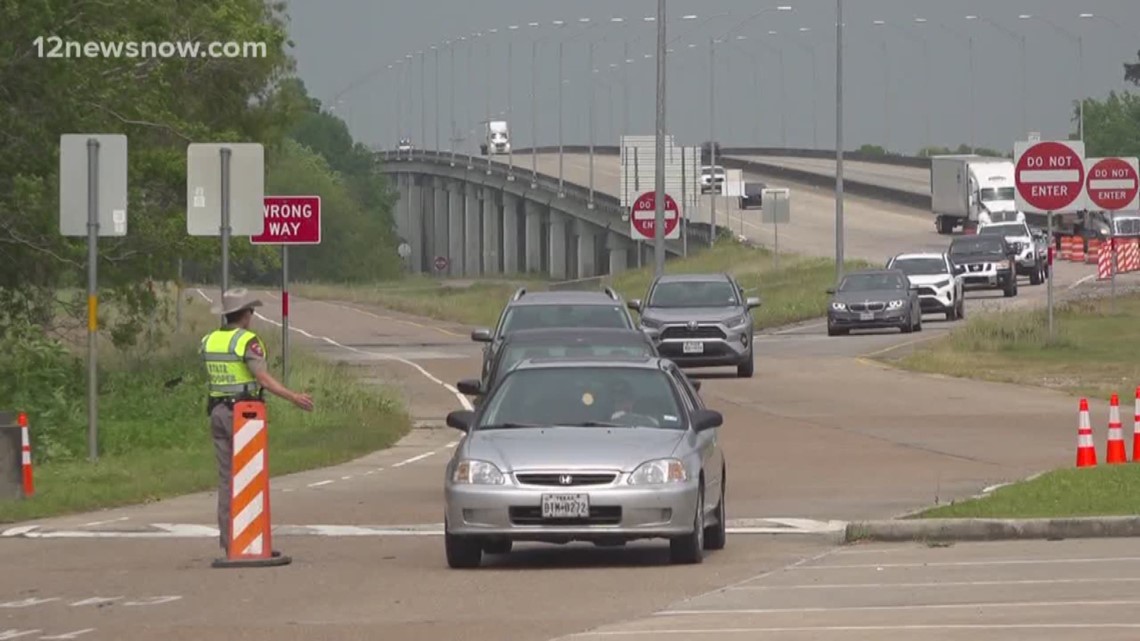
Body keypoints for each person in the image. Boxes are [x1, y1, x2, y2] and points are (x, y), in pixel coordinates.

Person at [201, 289, 313, 555]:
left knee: (227, 481)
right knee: (251, 479)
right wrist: (293, 396)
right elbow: (262, 378)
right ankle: (251, 543)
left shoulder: (209, 340)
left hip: (217, 411)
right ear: (245, 314)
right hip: (243, 415)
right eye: (251, 311)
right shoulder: (246, 341)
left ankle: (231, 544)